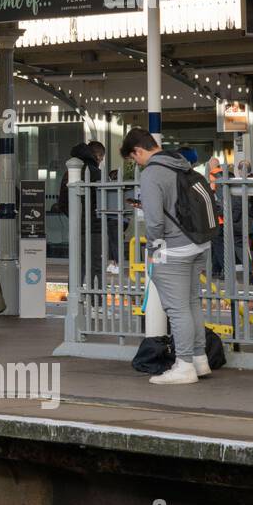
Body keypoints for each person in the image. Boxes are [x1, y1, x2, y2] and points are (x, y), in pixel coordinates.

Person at [120, 127, 210, 385]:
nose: (135, 164)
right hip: (198, 243)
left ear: (138, 151)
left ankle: (184, 366)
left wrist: (152, 249)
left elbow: (155, 221)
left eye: (133, 159)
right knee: (192, 303)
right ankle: (199, 358)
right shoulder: (181, 165)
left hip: (173, 248)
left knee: (177, 308)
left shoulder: (152, 174)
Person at [57, 141, 105, 279]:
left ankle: (75, 296)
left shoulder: (68, 173)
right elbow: (104, 204)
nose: (101, 161)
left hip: (76, 228)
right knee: (96, 266)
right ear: (97, 156)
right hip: (95, 228)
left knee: (76, 265)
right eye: (101, 158)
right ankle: (96, 298)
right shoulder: (97, 174)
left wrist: (75, 217)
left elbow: (62, 203)